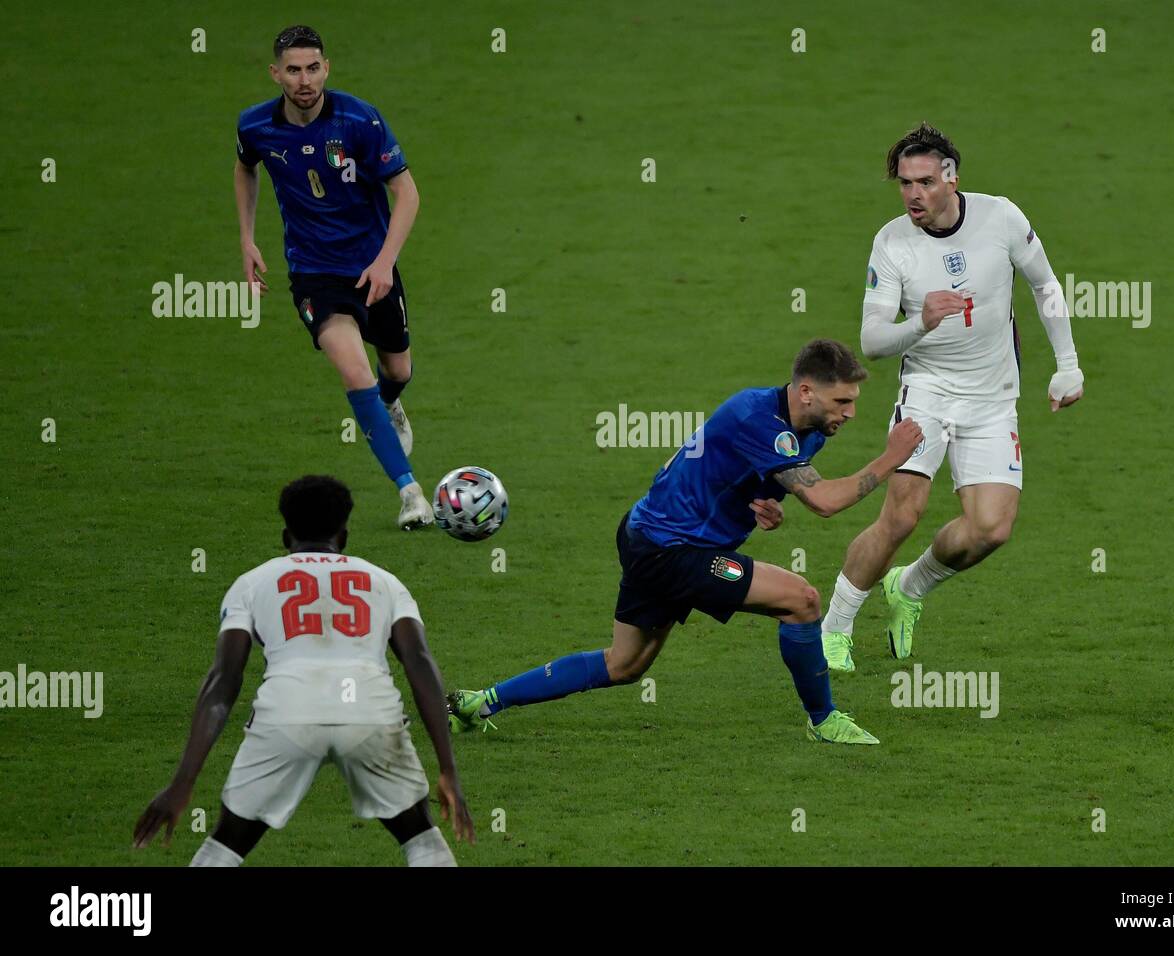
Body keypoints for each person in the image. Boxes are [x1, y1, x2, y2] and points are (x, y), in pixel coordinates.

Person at [448, 340, 923, 745]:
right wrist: (891, 458)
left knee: (624, 665)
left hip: (645, 534)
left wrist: (765, 504)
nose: (852, 413)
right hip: (674, 550)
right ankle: (824, 721)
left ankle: (482, 702)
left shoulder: (806, 428)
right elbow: (821, 501)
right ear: (805, 392)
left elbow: (746, 475)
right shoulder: (758, 418)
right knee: (801, 600)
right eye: (842, 402)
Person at [820, 122, 1084, 670]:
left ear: (951, 178)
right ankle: (835, 625)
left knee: (991, 528)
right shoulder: (892, 241)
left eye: (923, 181)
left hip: (992, 398)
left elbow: (1045, 284)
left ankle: (909, 587)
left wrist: (1068, 365)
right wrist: (920, 322)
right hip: (928, 393)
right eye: (903, 183)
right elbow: (871, 342)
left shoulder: (1001, 218)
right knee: (902, 516)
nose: (913, 194)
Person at [133, 475, 474, 865]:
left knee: (226, 843)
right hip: (368, 713)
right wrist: (448, 769)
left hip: (286, 713)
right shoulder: (385, 582)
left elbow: (223, 681)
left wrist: (182, 783)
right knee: (422, 840)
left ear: (285, 537)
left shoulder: (251, 583)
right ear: (343, 537)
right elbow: (419, 663)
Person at [235, 25, 434, 529]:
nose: (305, 79)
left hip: (373, 266)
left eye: (313, 67)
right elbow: (246, 168)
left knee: (398, 372)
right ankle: (411, 493)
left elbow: (407, 194)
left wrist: (385, 261)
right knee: (354, 372)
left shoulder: (359, 120)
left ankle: (388, 408)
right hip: (313, 273)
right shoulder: (256, 126)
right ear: (276, 73)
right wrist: (247, 238)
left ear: (327, 68)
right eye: (294, 69)